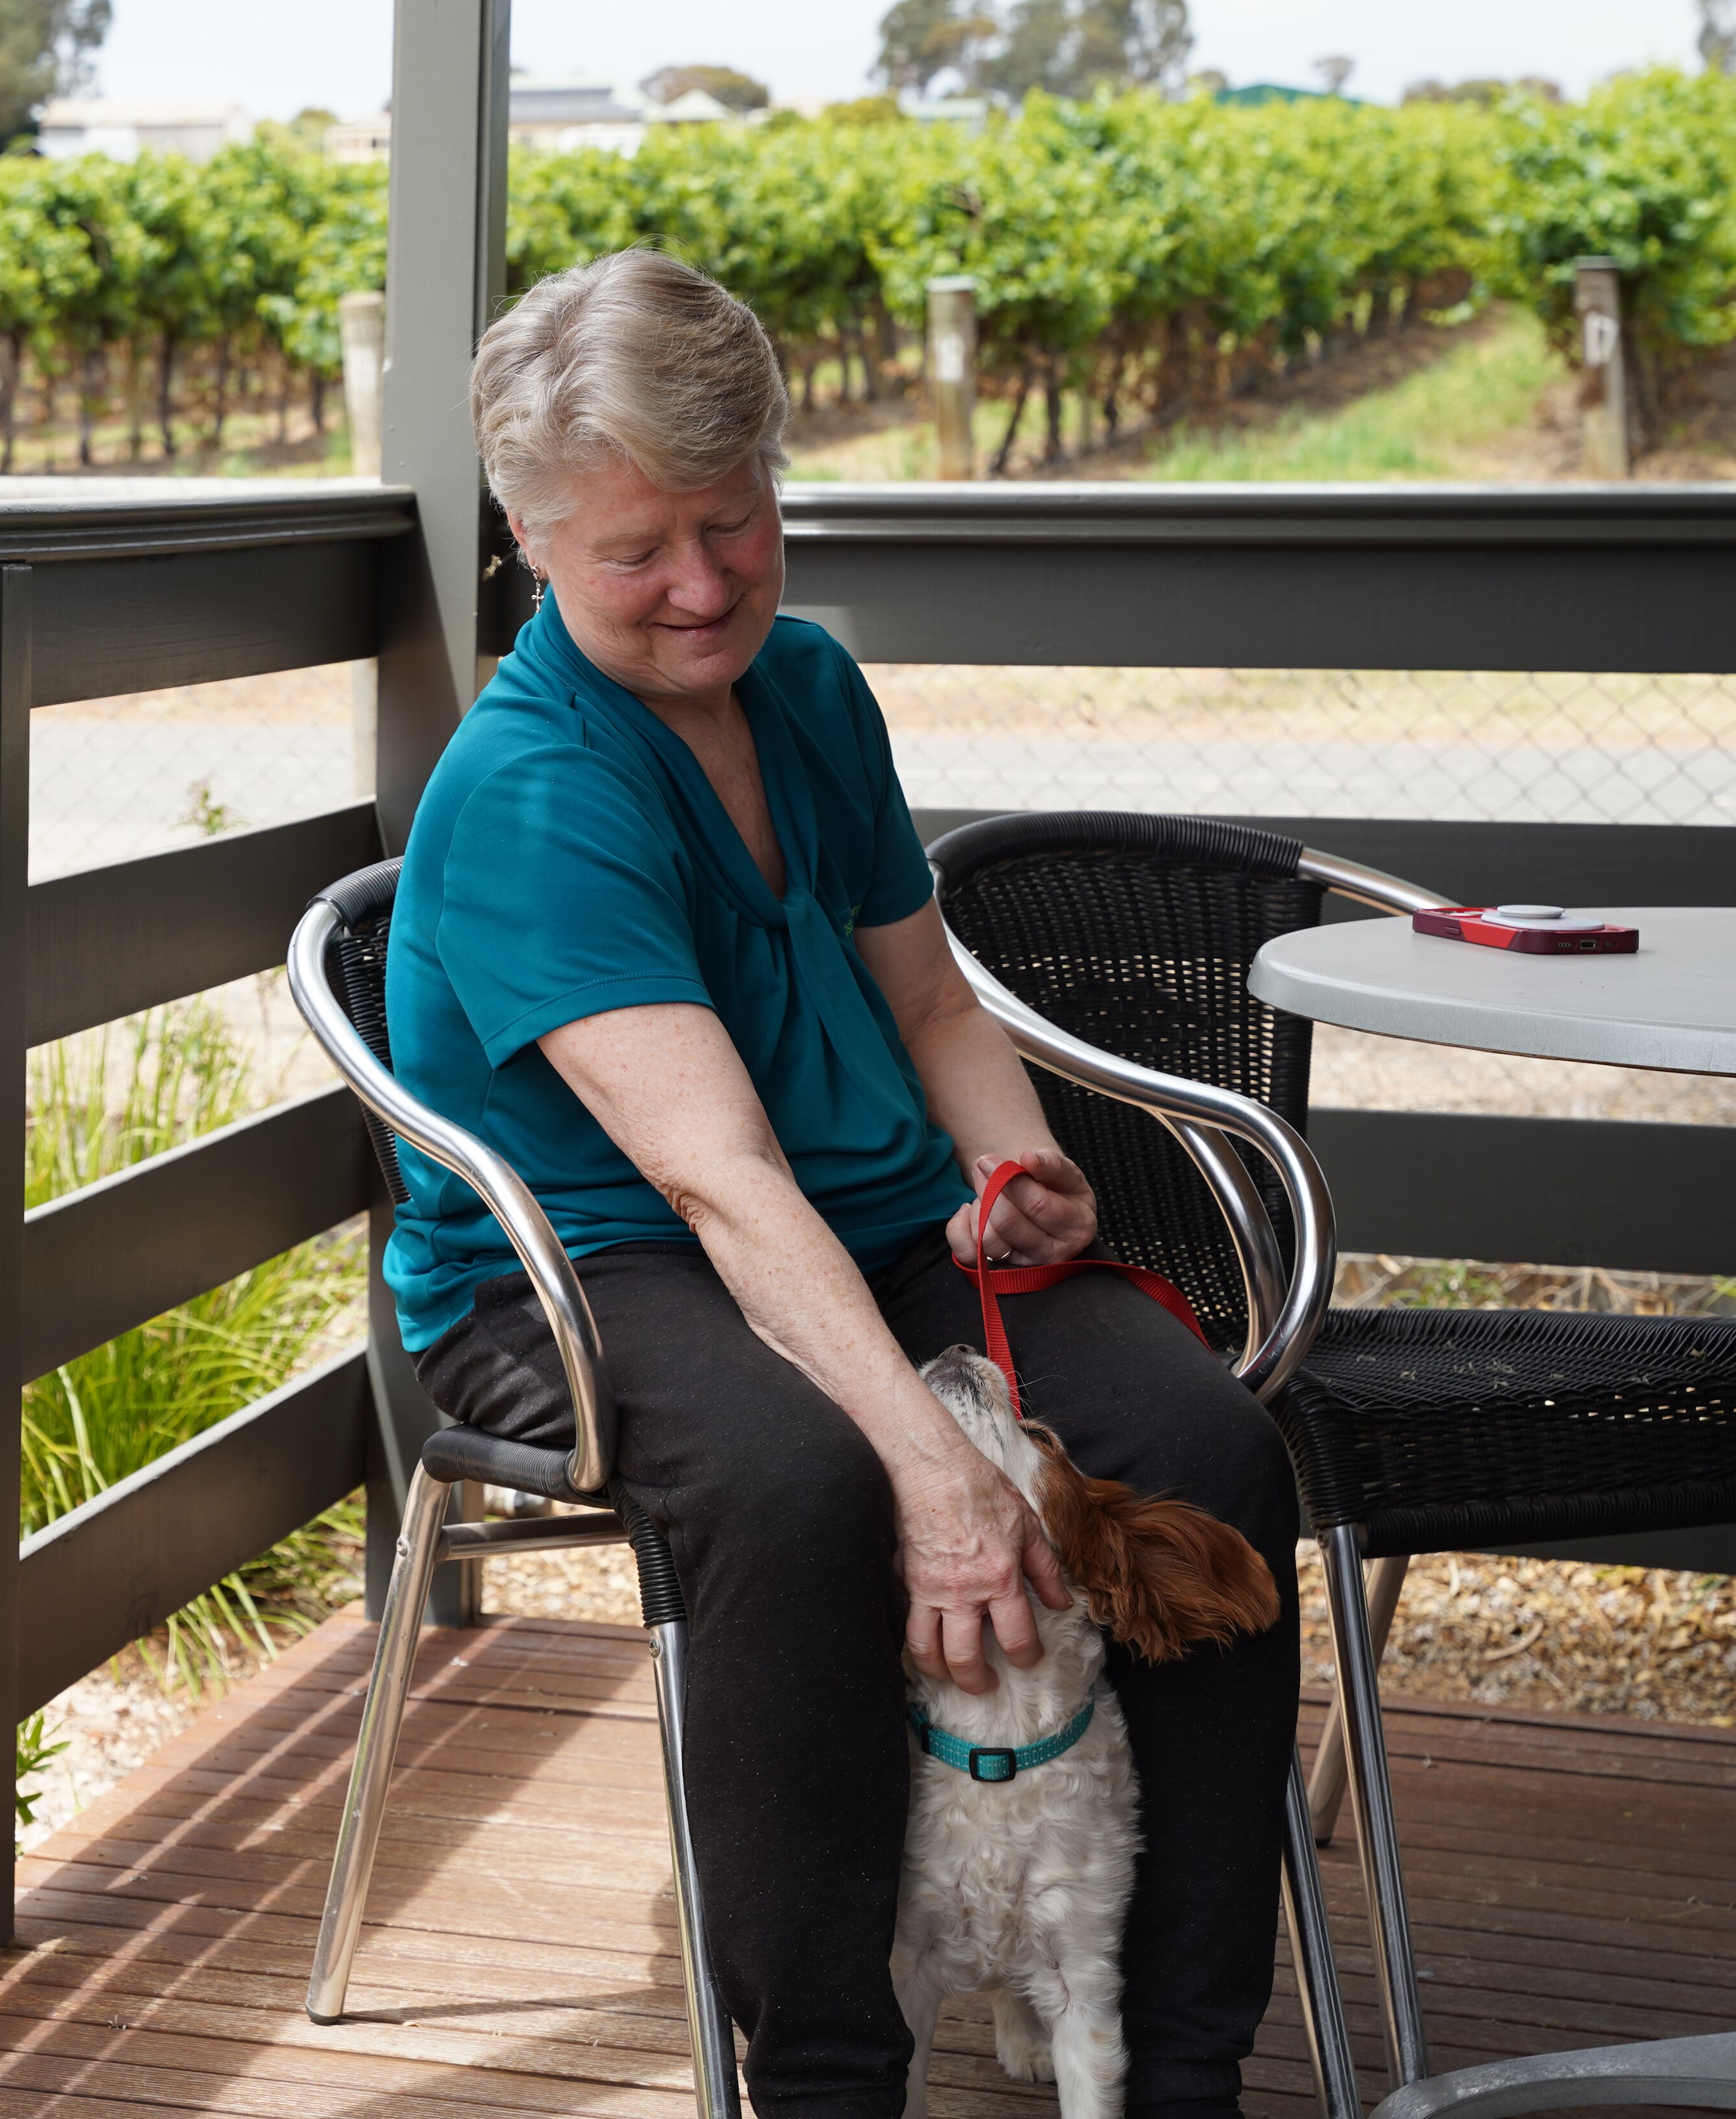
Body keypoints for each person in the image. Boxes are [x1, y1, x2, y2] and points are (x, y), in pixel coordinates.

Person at [385, 249, 1298, 2119]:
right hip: (587, 1274)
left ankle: (1186, 2066)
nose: (706, 587)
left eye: (736, 524)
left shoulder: (805, 686)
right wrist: (932, 1471)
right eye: (640, 551)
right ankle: (823, 2081)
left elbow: (925, 993)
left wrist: (1012, 1154)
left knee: (1207, 1449)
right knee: (809, 1490)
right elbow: (718, 1188)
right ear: (529, 535)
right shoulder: (539, 789)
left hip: (869, 1231)